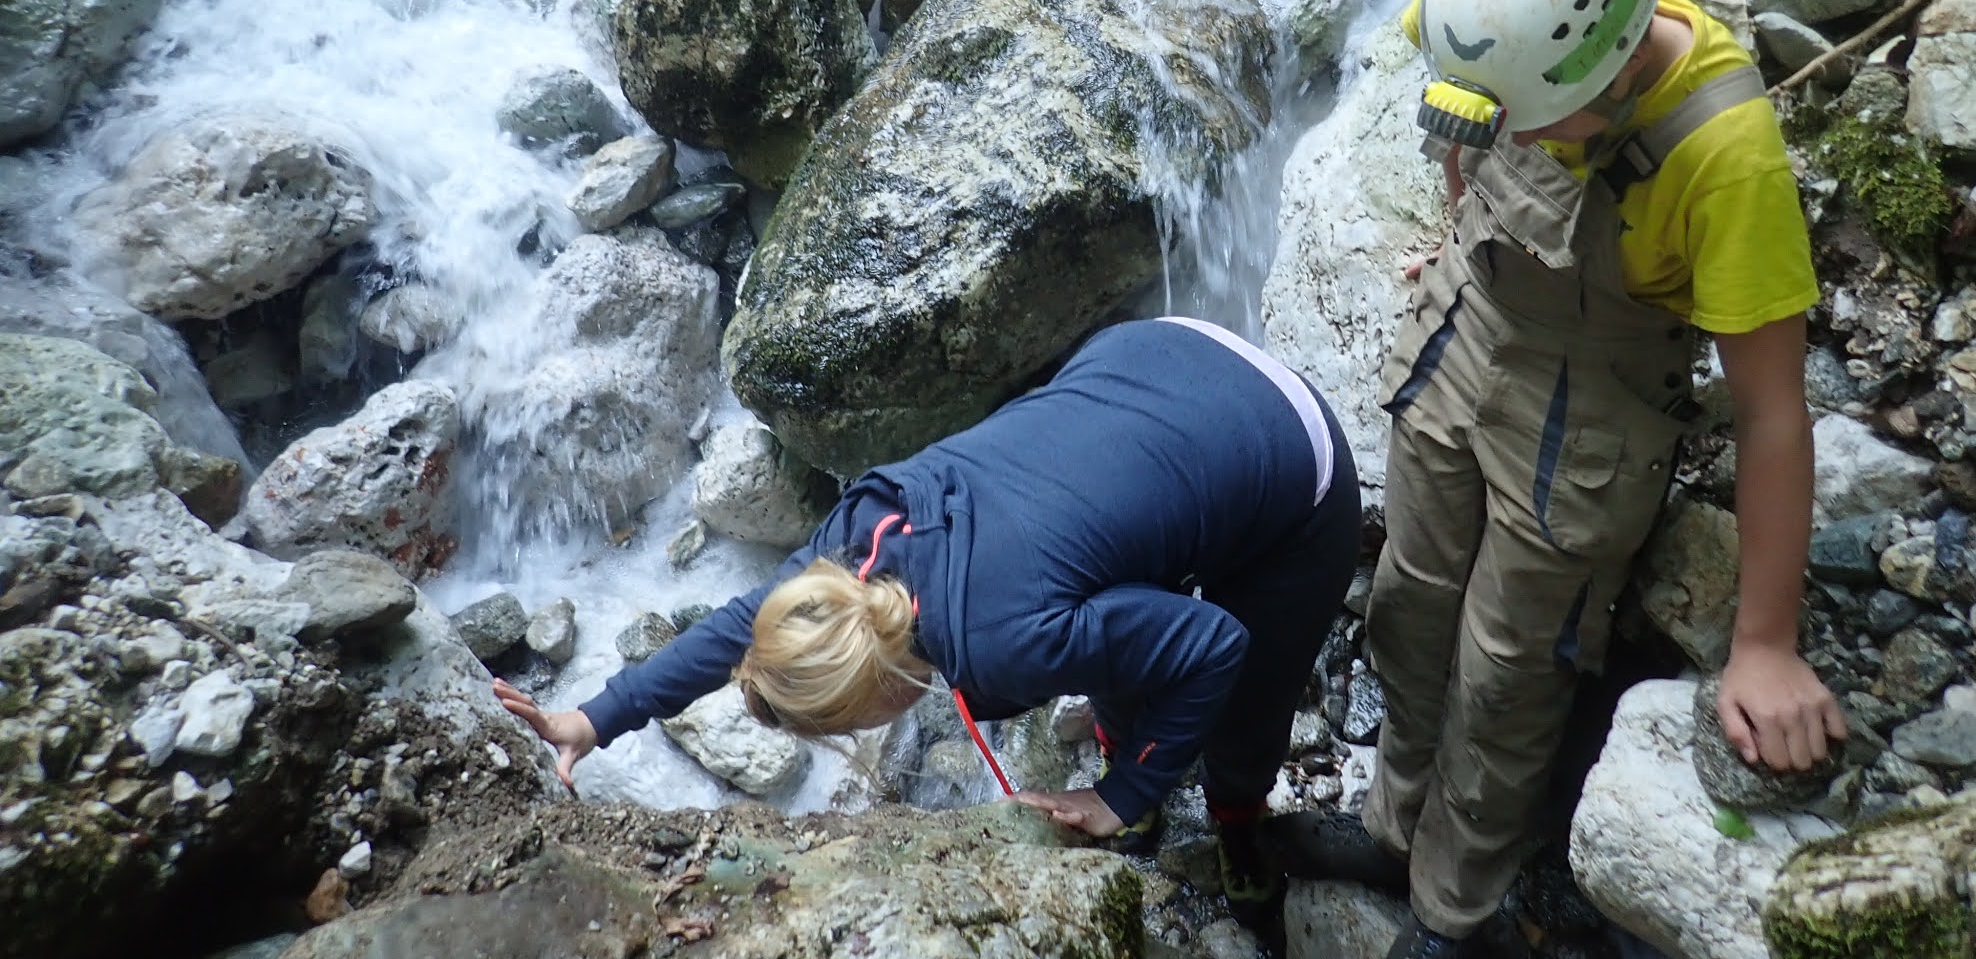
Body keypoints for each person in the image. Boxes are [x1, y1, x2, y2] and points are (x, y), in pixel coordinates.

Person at [1285, 0, 1848, 959]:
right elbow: (1466, 136)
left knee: (1508, 666)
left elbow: (1773, 414)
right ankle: (1392, 822)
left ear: (1612, 74)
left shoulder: (1723, 157)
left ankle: (1448, 907)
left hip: (1590, 398)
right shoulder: (1507, 4)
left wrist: (1764, 643)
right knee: (1408, 597)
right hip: (1464, 324)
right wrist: (1458, 236)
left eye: (1536, 124)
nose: (1518, 137)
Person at [497, 315, 1361, 917]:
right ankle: (1126, 764)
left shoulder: (1005, 643)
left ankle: (1237, 827)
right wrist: (594, 718)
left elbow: (1214, 644)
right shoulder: (853, 548)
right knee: (1112, 622)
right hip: (1158, 354)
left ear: (876, 696)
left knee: (1243, 703)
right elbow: (733, 632)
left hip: (1293, 451)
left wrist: (1123, 793)